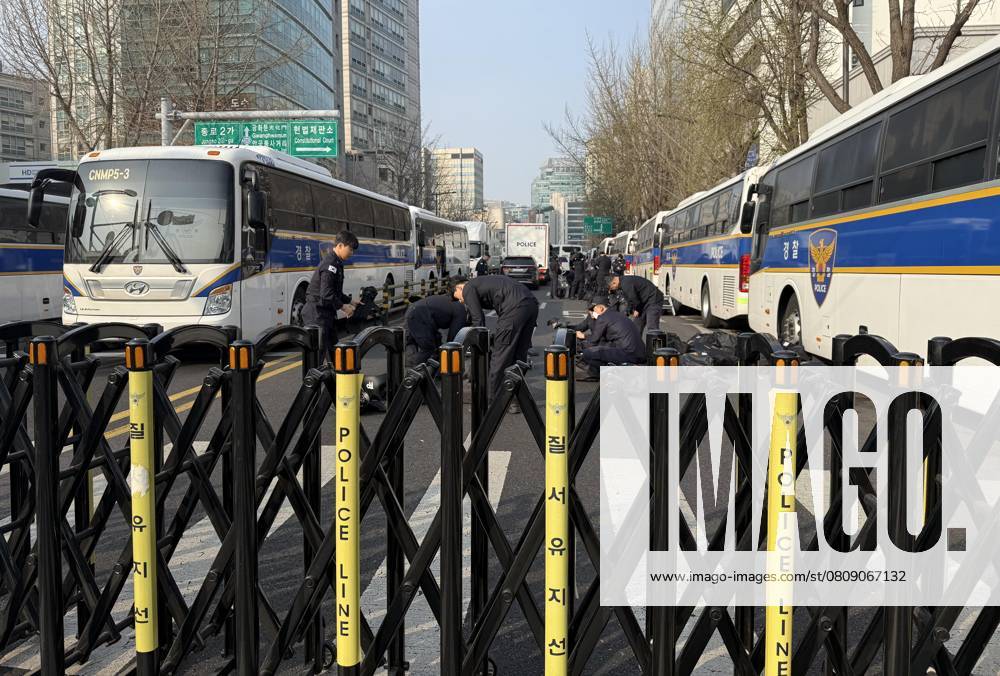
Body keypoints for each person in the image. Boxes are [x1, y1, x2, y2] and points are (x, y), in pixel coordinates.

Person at [454, 276, 538, 404]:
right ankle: (515, 396)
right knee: (519, 356)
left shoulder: (468, 288)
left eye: (458, 297)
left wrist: (475, 342)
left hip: (513, 308)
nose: (461, 301)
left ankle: (493, 402)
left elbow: (478, 320)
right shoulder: (483, 282)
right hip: (531, 304)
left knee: (499, 357)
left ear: (459, 287)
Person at [302, 231, 359, 363]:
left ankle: (334, 382)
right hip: (316, 314)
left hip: (325, 314)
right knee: (318, 357)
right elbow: (326, 294)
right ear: (340, 246)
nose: (352, 253)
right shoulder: (330, 265)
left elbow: (336, 293)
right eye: (350, 249)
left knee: (334, 353)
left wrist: (350, 301)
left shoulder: (337, 263)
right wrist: (344, 307)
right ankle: (314, 383)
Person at [577, 296, 645, 381]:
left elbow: (593, 340)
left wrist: (581, 342)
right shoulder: (616, 314)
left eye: (594, 310)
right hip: (640, 352)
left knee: (588, 352)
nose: (592, 312)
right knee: (600, 348)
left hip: (628, 353)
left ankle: (605, 373)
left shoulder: (603, 318)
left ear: (601, 308)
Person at [404, 293, 469, 367]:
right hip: (420, 316)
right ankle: (415, 369)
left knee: (412, 341)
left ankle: (410, 365)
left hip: (413, 310)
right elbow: (452, 341)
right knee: (429, 349)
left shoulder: (452, 302)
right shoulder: (461, 311)